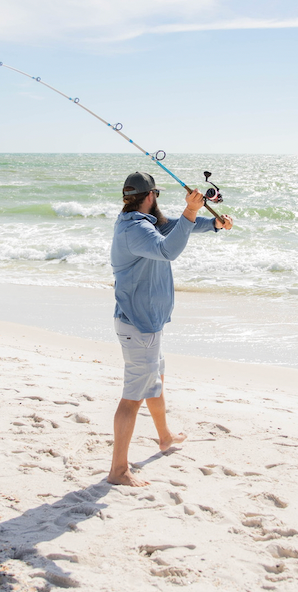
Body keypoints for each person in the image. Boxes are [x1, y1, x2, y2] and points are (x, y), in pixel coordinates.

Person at [108, 170, 233, 486]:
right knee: (132, 398)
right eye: (157, 194)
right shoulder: (135, 230)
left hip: (148, 323)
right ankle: (118, 470)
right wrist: (191, 209)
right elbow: (169, 249)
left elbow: (176, 227)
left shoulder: (143, 223)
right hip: (138, 324)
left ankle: (164, 436)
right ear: (150, 196)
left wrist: (214, 223)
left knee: (156, 382)